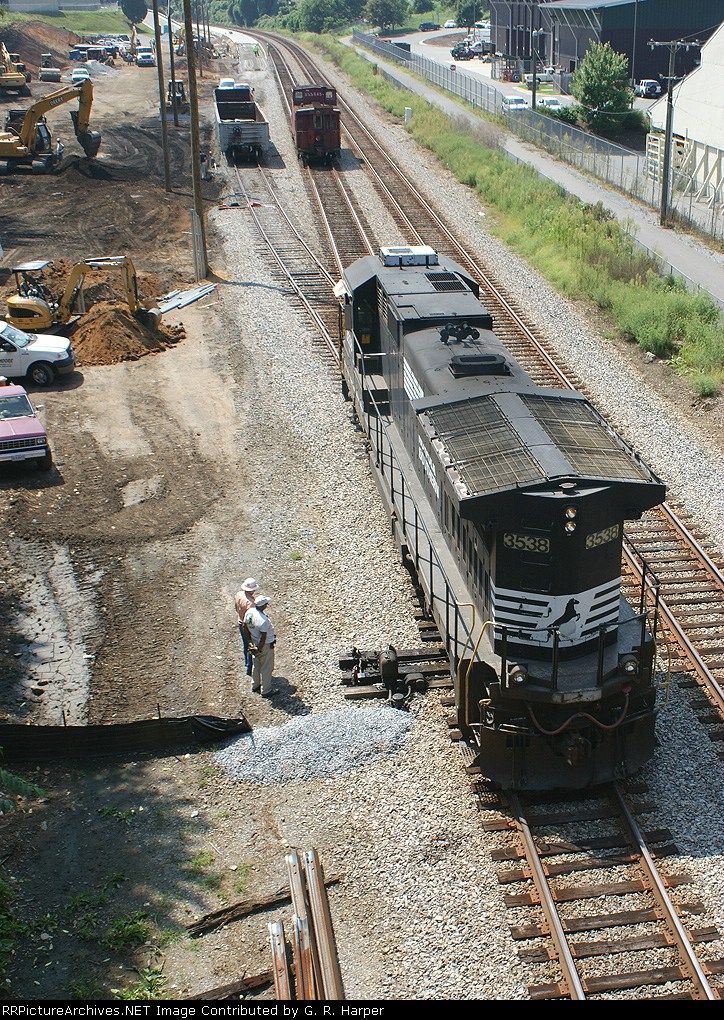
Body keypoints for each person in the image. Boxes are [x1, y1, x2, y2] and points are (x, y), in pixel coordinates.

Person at [244, 594, 276, 697]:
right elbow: (263, 637)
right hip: (264, 645)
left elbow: (244, 626)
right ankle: (266, 690)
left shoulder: (249, 612)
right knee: (266, 667)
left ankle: (255, 685)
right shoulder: (263, 620)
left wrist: (249, 642)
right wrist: (259, 649)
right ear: (263, 606)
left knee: (256, 665)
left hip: (254, 642)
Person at [234, 577, 258, 676]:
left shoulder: (239, 594)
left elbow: (236, 606)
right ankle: (249, 667)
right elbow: (252, 619)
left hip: (240, 621)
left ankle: (246, 663)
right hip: (247, 626)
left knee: (245, 644)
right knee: (250, 645)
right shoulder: (251, 603)